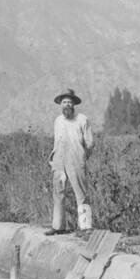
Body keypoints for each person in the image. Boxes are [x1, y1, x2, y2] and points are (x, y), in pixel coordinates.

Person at [46, 88, 94, 235]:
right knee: (58, 192)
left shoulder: (82, 119)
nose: (66, 104)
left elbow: (90, 142)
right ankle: (58, 226)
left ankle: (86, 227)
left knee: (81, 192)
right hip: (59, 159)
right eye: (64, 102)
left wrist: (82, 156)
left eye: (69, 102)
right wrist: (53, 159)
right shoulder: (58, 120)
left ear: (74, 104)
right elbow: (56, 141)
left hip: (76, 158)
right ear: (60, 104)